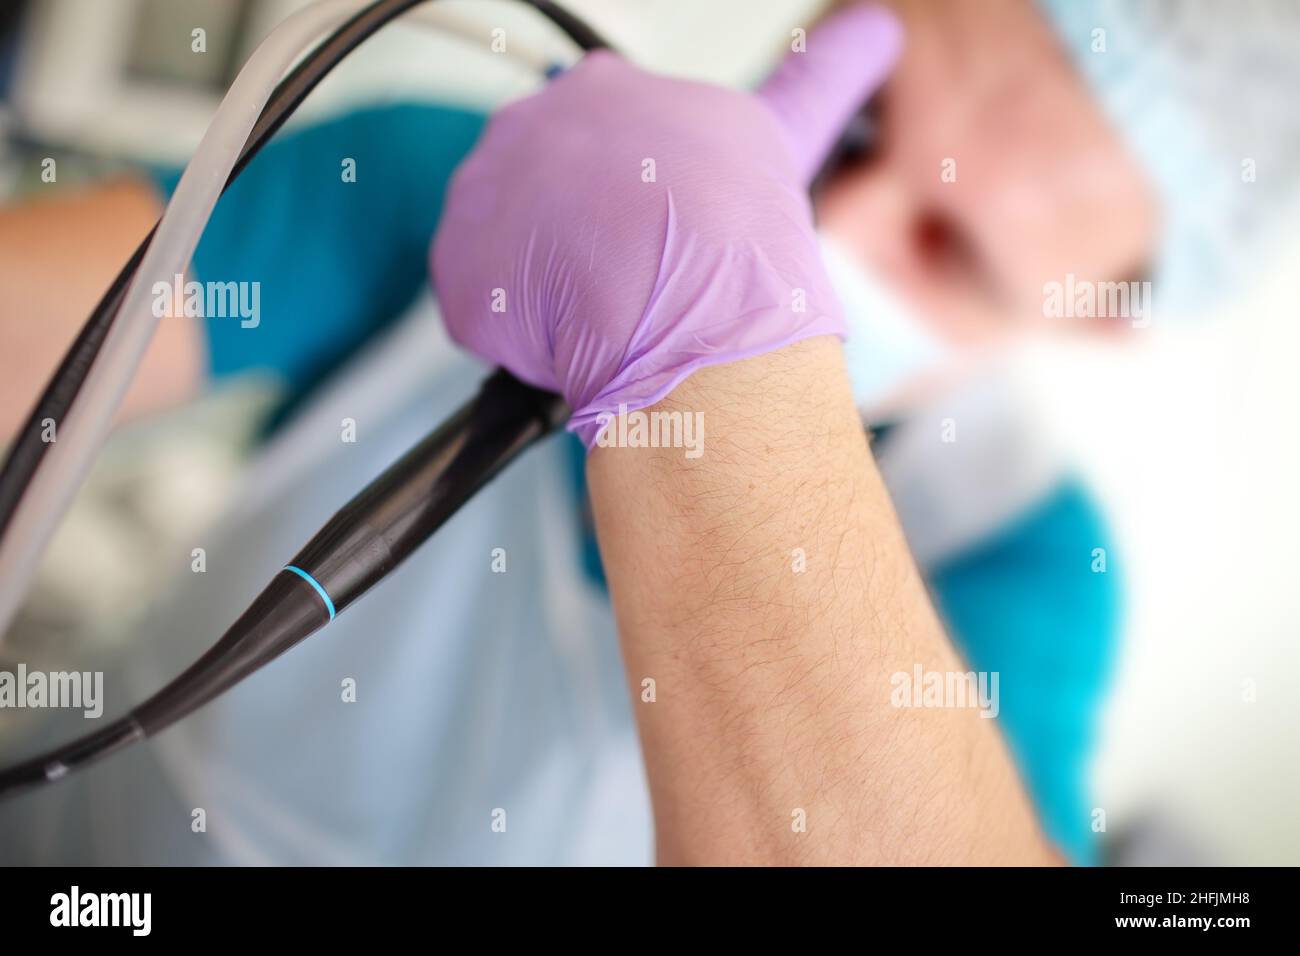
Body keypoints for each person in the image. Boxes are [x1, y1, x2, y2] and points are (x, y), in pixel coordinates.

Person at [0, 1, 1161, 864]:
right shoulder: (477, 188)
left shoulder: (1024, 561)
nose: (834, 221)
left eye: (949, 246)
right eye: (856, 131)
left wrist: (717, 364)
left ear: (1097, 317)